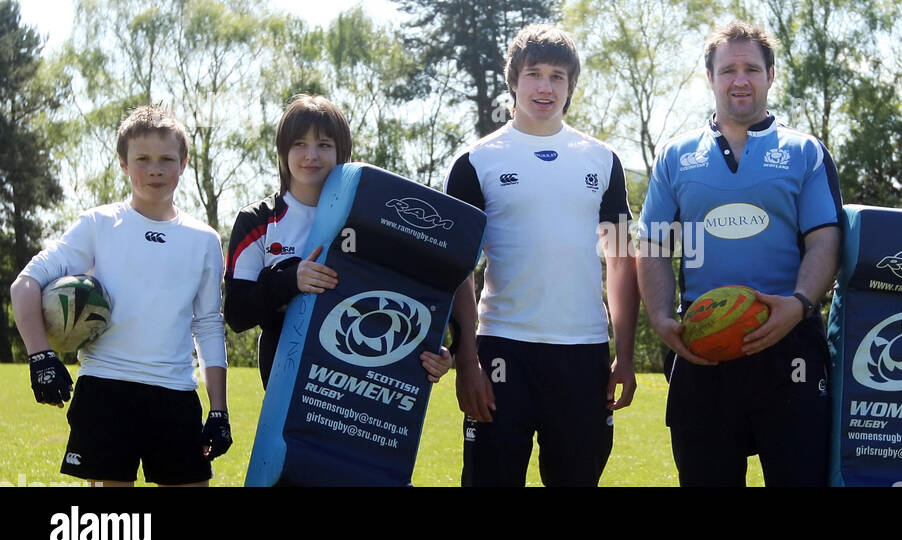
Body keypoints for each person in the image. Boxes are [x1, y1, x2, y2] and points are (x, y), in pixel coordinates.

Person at [636, 21, 842, 486]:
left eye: (752, 68)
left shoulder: (804, 152)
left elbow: (825, 241)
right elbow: (651, 246)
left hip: (789, 340)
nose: (740, 79)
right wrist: (662, 317)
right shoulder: (675, 155)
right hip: (703, 344)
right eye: (728, 69)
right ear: (710, 78)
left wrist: (799, 305)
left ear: (771, 75)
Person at [445, 24, 639, 487]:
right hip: (501, 349)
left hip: (583, 353)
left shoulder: (601, 159)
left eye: (557, 76)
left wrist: (625, 355)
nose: (545, 87)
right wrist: (466, 359)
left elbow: (620, 260)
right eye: (534, 74)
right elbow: (458, 271)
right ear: (513, 80)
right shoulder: (477, 160)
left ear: (571, 86)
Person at [10, 105, 230, 486]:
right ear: (124, 163)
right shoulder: (98, 225)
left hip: (175, 394)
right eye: (142, 159)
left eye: (166, 159)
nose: (155, 169)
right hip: (106, 391)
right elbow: (25, 283)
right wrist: (41, 357)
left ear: (184, 163)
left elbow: (208, 326)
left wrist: (219, 411)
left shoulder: (204, 240)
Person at [226, 94, 451, 390]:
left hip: (358, 389)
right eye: (299, 144)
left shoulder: (374, 220)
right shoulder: (256, 220)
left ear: (341, 152)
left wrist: (434, 349)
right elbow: (238, 314)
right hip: (287, 391)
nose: (311, 155)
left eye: (324, 145)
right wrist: (290, 280)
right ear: (283, 151)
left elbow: (401, 299)